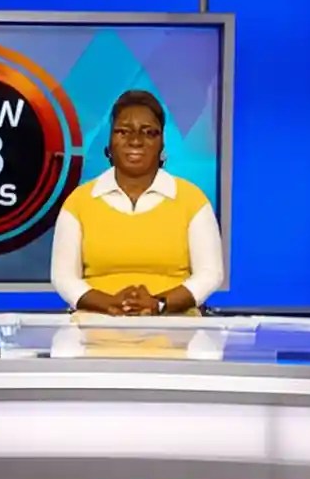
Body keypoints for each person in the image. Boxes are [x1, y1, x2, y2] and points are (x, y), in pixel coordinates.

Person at [50, 90, 224, 315]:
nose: (135, 141)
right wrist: (110, 304)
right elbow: (63, 277)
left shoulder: (192, 200)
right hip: (95, 325)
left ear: (162, 143)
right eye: (123, 132)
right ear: (110, 142)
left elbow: (210, 274)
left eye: (148, 133)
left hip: (177, 329)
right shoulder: (79, 202)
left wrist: (158, 304)